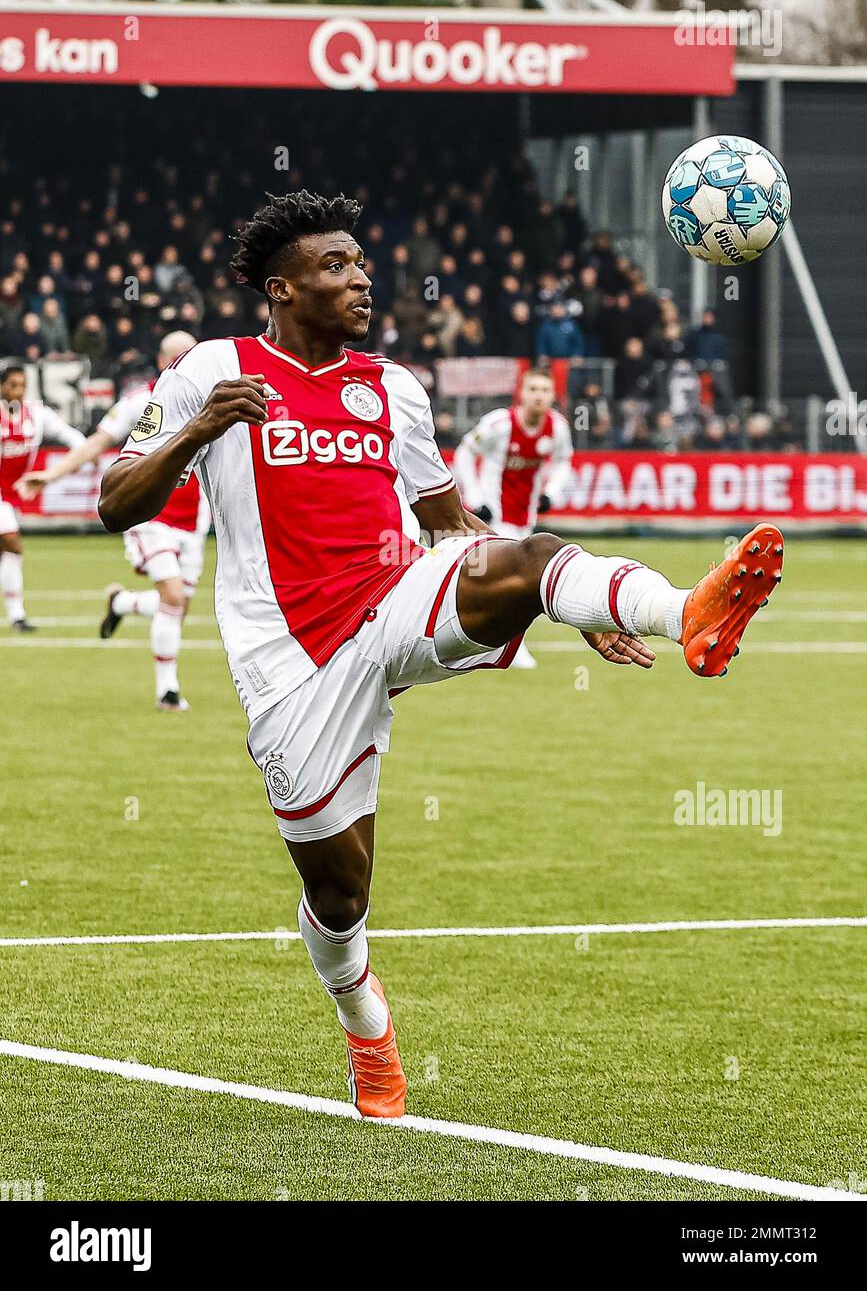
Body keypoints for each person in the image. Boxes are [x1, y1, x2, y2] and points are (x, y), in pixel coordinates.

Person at [97, 190, 785, 1122]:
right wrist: (196, 429)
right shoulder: (212, 371)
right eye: (335, 267)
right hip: (287, 658)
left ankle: (685, 613)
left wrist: (554, 598)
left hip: (390, 599)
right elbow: (115, 502)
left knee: (537, 549)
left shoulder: (395, 386)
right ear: (281, 288)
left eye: (360, 263)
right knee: (339, 891)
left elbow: (450, 524)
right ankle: (366, 1024)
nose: (359, 277)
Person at [18, 331, 207, 710]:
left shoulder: (212, 399)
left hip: (194, 520)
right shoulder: (142, 401)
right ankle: (167, 692)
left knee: (177, 605)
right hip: (150, 516)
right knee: (172, 596)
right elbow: (97, 441)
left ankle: (122, 603)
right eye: (181, 356)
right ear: (163, 361)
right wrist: (51, 476)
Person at [453, 370, 573, 668]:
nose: (538, 395)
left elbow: (564, 461)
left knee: (495, 580)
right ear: (522, 392)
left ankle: (484, 642)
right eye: (533, 389)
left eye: (545, 390)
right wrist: (476, 498)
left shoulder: (557, 428)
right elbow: (465, 454)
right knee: (512, 582)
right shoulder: (499, 424)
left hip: (525, 518)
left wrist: (552, 493)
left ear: (552, 396)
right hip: (493, 516)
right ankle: (511, 647)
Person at [0, 363, 85, 631]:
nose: (19, 390)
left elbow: (70, 436)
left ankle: (16, 616)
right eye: (13, 385)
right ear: (1, 387)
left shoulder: (36, 414)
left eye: (23, 385)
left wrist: (83, 452)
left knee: (7, 552)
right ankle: (17, 615)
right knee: (13, 545)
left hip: (13, 495)